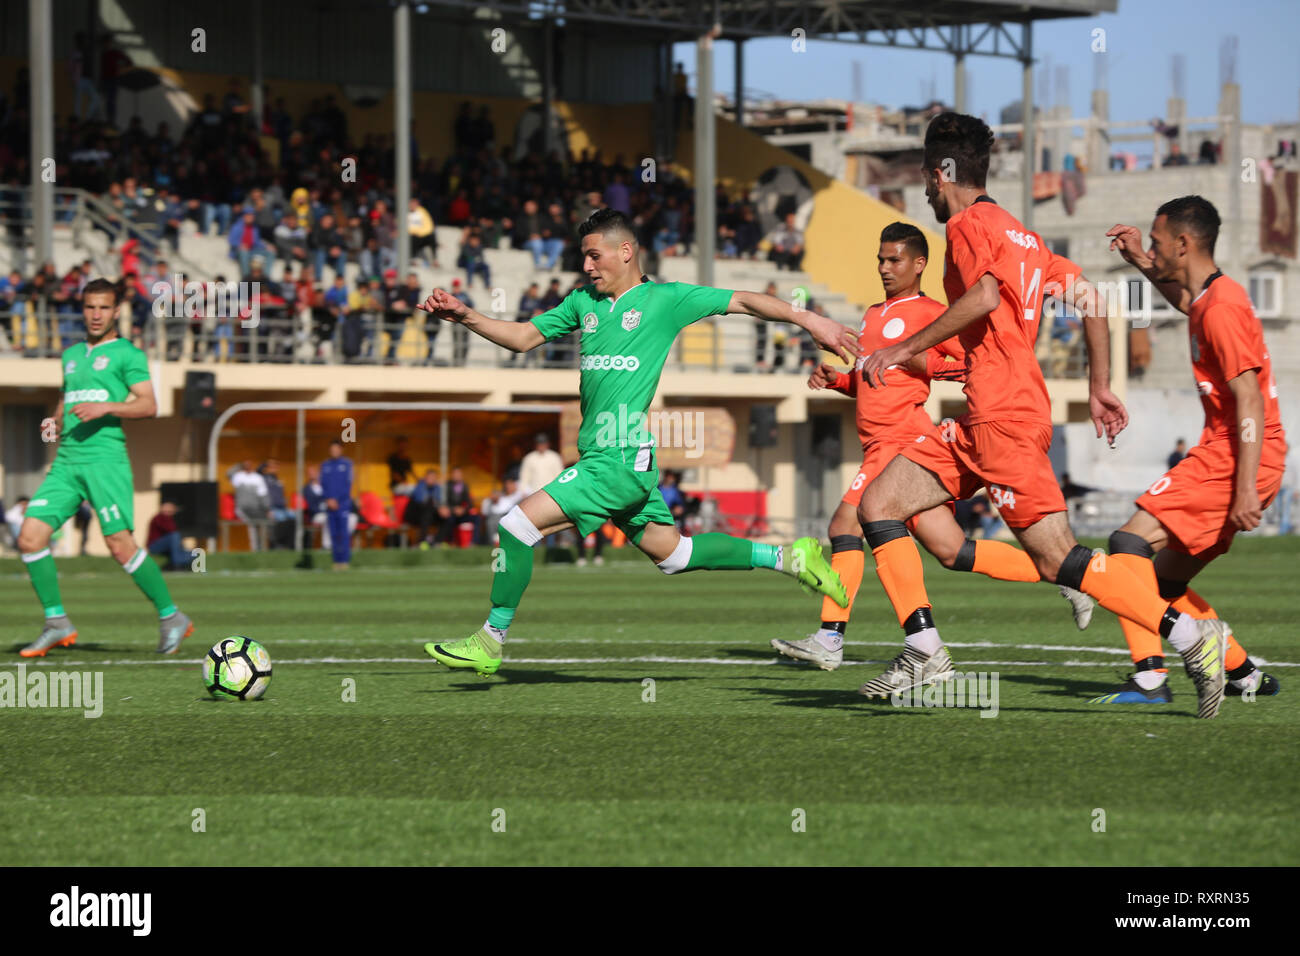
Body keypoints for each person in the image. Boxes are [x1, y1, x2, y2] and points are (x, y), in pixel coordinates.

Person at [855, 112, 1231, 718]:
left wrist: (903, 348)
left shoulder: (972, 223)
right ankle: (924, 648)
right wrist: (1101, 385)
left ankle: (1190, 637)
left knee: (1059, 558)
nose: (925, 188)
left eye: (926, 175)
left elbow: (983, 297)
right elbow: (1094, 298)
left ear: (942, 171)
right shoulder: (1023, 236)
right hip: (987, 415)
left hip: (1002, 417)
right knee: (879, 504)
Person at [416, 207, 859, 677]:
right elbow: (523, 337)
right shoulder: (582, 303)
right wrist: (464, 315)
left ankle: (490, 640)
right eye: (583, 257)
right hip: (620, 460)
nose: (586, 266)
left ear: (625, 251)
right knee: (676, 555)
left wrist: (812, 321)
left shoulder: (666, 300)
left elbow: (746, 301)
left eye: (593, 255)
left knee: (515, 526)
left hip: (617, 460)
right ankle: (791, 557)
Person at [773, 223, 1091, 672]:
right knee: (953, 551)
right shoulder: (871, 315)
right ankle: (1068, 572)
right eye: (881, 259)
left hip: (902, 440)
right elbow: (880, 380)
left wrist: (921, 358)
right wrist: (841, 380)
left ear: (919, 264)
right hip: (882, 443)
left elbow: (968, 363)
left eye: (894, 260)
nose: (885, 268)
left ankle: (832, 638)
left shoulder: (932, 313)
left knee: (845, 525)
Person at [1095, 197, 1285, 705]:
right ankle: (1243, 672)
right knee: (1163, 583)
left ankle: (1150, 677)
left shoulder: (1221, 308)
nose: (1152, 247)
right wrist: (1138, 260)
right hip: (1240, 454)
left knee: (1127, 545)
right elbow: (1183, 301)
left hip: (1236, 455)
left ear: (1183, 243)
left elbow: (1247, 397)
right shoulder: (1210, 299)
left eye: (1156, 241)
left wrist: (1245, 487)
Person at [17, 278, 193, 657]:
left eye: (103, 308)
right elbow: (67, 399)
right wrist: (54, 422)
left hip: (105, 461)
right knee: (30, 536)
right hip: (67, 462)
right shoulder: (70, 355)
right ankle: (56, 622)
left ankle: (171, 616)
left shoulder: (128, 354)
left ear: (116, 311)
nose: (95, 315)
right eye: (89, 307)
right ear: (82, 310)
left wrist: (106, 407)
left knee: (119, 546)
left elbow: (148, 405)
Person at [320, 440, 354, 569]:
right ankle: (336, 561)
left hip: (342, 504)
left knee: (343, 533)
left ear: (341, 450)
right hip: (330, 505)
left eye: (336, 449)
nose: (334, 451)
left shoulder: (347, 464)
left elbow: (347, 485)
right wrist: (328, 499)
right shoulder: (325, 465)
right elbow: (323, 484)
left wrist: (337, 500)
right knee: (333, 533)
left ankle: (344, 560)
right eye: (332, 449)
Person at [228, 459, 270, 551]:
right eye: (245, 465)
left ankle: (262, 548)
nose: (247, 466)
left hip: (257, 509)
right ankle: (255, 549)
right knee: (252, 525)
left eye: (249, 464)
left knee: (262, 525)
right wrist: (239, 465)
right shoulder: (239, 476)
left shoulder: (258, 478)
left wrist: (267, 509)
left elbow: (263, 494)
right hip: (242, 509)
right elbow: (229, 473)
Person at [147, 501, 191, 570]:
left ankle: (177, 564)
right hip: (154, 546)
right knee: (175, 536)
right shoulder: (159, 518)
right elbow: (171, 530)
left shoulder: (170, 519)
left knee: (195, 553)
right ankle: (177, 563)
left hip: (168, 546)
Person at [406, 469, 444, 547]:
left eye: (434, 478)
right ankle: (421, 541)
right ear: (425, 478)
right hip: (415, 515)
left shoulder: (437, 488)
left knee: (446, 517)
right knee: (427, 514)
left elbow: (438, 502)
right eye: (430, 477)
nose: (432, 479)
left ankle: (437, 541)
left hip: (429, 515)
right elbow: (421, 502)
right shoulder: (420, 486)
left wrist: (442, 509)